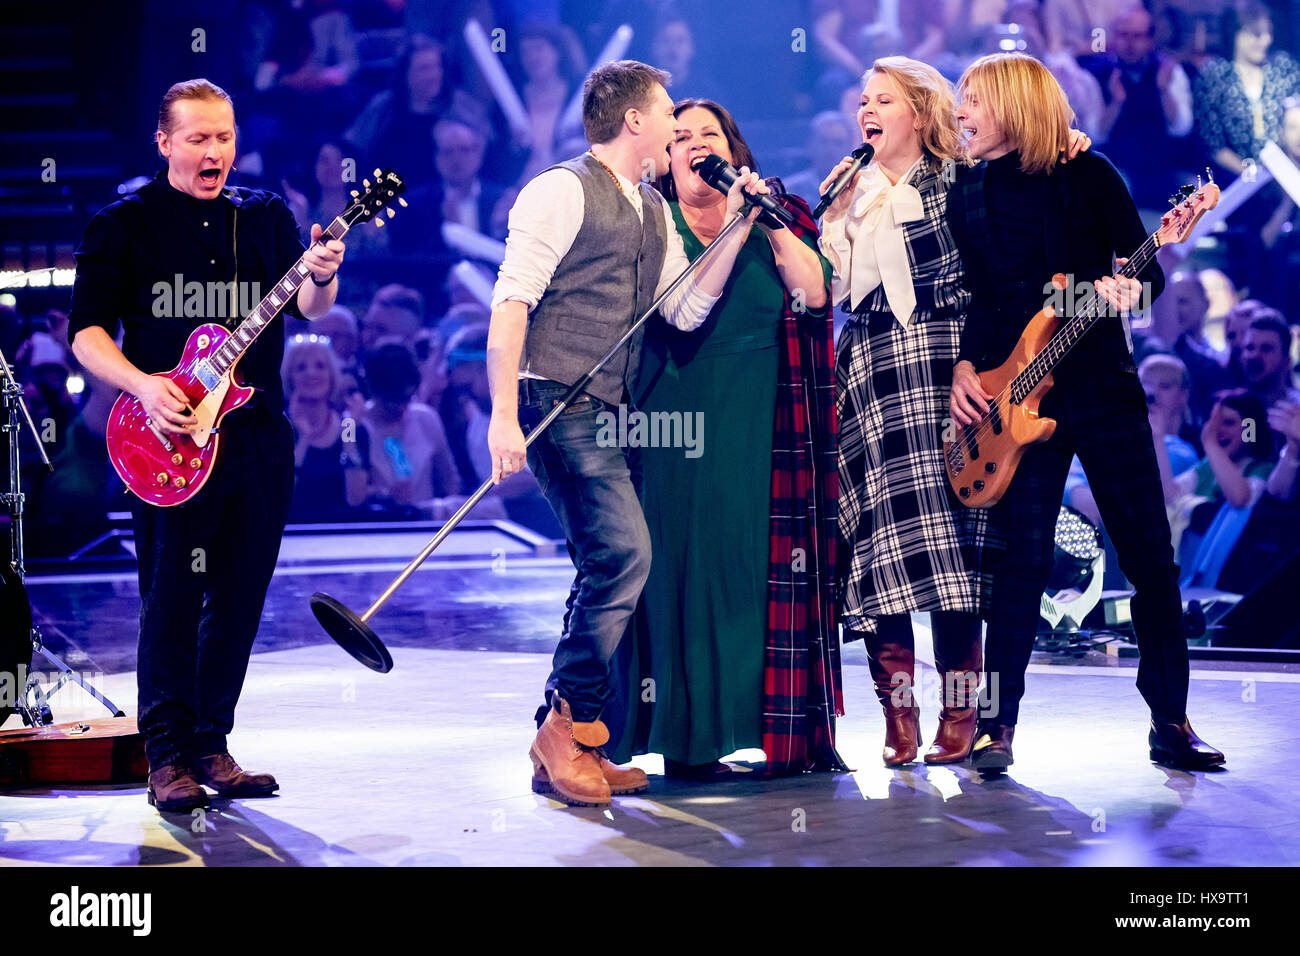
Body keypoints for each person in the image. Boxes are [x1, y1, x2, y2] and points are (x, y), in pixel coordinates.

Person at [485, 60, 769, 807]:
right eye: (668, 110)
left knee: (607, 565)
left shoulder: (650, 207)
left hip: (609, 410)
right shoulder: (559, 189)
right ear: (635, 119)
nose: (678, 122)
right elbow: (511, 304)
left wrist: (738, 228)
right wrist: (502, 415)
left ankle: (566, 731)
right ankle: (571, 728)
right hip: (554, 399)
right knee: (624, 556)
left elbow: (683, 310)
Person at [67, 78, 347, 811]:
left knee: (240, 593)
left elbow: (312, 308)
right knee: (172, 596)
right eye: (197, 139)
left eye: (224, 137)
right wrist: (141, 384)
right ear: (164, 143)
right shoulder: (124, 223)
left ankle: (211, 744)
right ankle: (165, 756)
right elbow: (87, 333)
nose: (214, 151)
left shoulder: (265, 217)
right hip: (168, 438)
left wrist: (324, 275)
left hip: (256, 435)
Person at [947, 52, 1224, 773]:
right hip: (1016, 399)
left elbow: (1150, 269)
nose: (960, 113)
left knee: (1150, 560)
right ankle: (995, 727)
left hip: (1101, 386)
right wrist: (965, 370)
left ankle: (1172, 720)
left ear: (1011, 105)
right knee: (1021, 564)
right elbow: (985, 300)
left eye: (971, 100)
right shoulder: (967, 193)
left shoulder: (1091, 175)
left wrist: (1133, 292)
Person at [608, 98, 843, 779]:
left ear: (734, 150)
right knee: (684, 572)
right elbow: (685, 316)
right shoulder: (652, 222)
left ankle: (776, 736)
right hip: (677, 417)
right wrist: (735, 228)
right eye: (679, 138)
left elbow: (816, 293)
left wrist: (764, 220)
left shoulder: (782, 212)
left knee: (756, 575)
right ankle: (686, 742)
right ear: (664, 156)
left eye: (707, 135)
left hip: (767, 422)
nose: (693, 146)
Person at [818, 56, 994, 767]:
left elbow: (989, 276)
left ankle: (960, 711)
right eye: (862, 99)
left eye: (882, 99)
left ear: (920, 113)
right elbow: (826, 292)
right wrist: (828, 219)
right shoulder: (847, 191)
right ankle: (899, 719)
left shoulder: (960, 183)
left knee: (951, 549)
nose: (866, 109)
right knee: (877, 550)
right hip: (868, 373)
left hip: (944, 363)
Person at [1194, 0, 1300, 177]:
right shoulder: (1214, 76)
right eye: (1257, 34)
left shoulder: (1284, 67)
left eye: (1269, 33)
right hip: (1237, 178)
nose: (1267, 40)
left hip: (1290, 169)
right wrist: (1252, 174)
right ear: (1236, 34)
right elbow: (1211, 143)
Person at [283, 333, 372, 522]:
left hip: (341, 538)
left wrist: (348, 433)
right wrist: (304, 439)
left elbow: (355, 500)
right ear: (289, 377)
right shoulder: (277, 430)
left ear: (332, 375)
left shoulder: (352, 429)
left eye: (320, 366)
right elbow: (280, 499)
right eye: (301, 367)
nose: (311, 373)